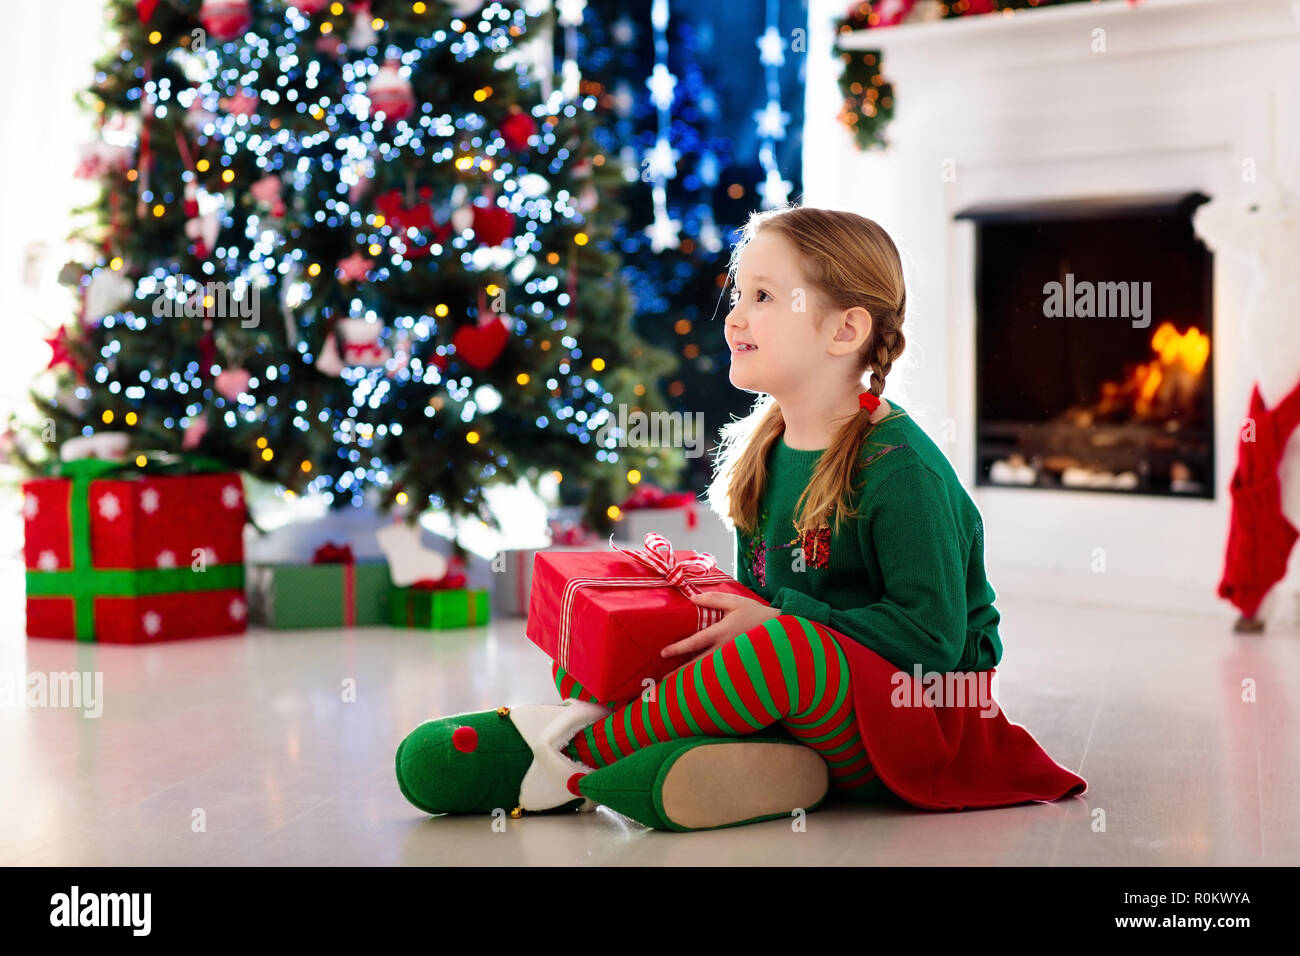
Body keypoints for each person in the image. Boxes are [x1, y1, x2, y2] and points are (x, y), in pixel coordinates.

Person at [396, 205, 1086, 829]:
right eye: (739, 293)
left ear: (846, 328)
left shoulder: (901, 470)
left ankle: (565, 755)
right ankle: (731, 763)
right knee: (629, 637)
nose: (734, 315)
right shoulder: (768, 448)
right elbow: (758, 599)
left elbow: (929, 642)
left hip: (918, 720)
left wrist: (778, 621)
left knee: (775, 651)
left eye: (763, 297)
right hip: (817, 702)